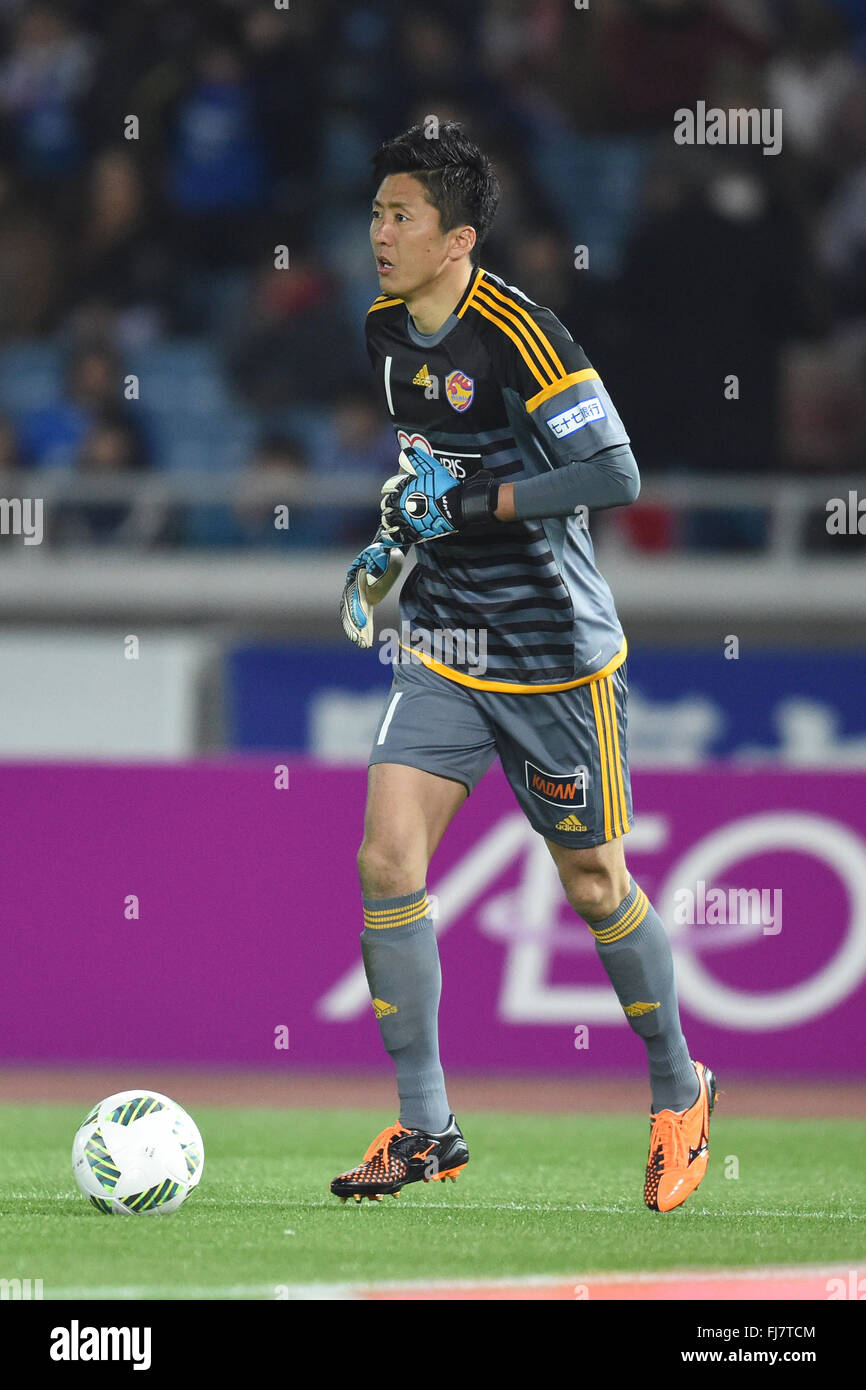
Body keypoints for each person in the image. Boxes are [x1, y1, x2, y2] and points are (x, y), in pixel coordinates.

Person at [331, 123, 715, 1212]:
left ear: (457, 238)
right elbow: (428, 475)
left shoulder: (522, 335)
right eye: (375, 213)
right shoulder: (384, 331)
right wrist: (392, 547)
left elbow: (614, 473)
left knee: (593, 883)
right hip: (447, 644)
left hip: (553, 657)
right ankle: (426, 1128)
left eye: (401, 216)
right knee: (385, 862)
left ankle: (679, 1089)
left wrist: (474, 505)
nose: (379, 234)